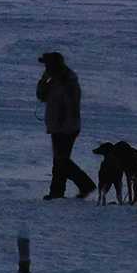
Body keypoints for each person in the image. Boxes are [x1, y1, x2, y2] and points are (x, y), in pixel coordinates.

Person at [35, 51, 94, 199]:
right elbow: (41, 96)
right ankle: (66, 190)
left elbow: (71, 105)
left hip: (67, 127)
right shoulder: (55, 80)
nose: (45, 68)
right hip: (58, 126)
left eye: (47, 65)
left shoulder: (68, 81)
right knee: (60, 160)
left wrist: (64, 123)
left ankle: (68, 189)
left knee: (60, 160)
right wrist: (43, 81)